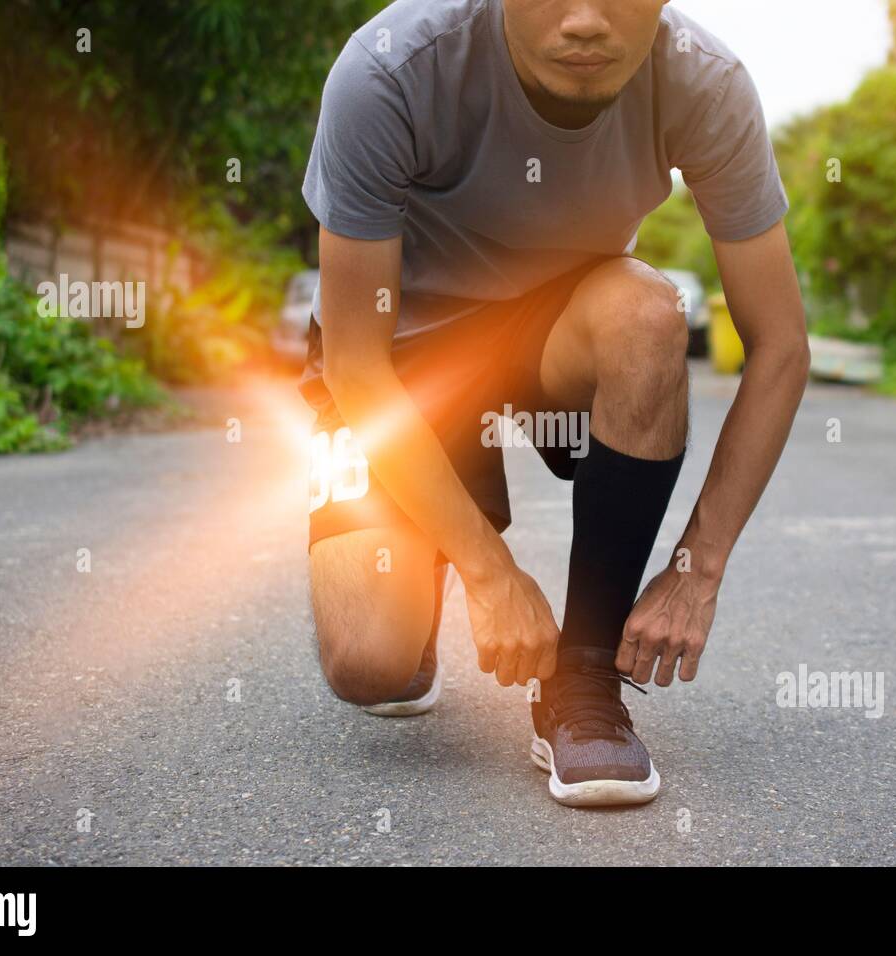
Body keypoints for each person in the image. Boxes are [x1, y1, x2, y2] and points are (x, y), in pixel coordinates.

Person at [301, 0, 808, 807]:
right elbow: (356, 365)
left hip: (555, 339)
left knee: (649, 315)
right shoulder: (388, 70)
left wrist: (696, 568)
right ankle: (427, 551)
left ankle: (583, 681)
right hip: (406, 358)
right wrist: (488, 571)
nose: (584, 21)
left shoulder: (705, 83)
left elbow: (780, 346)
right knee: (372, 666)